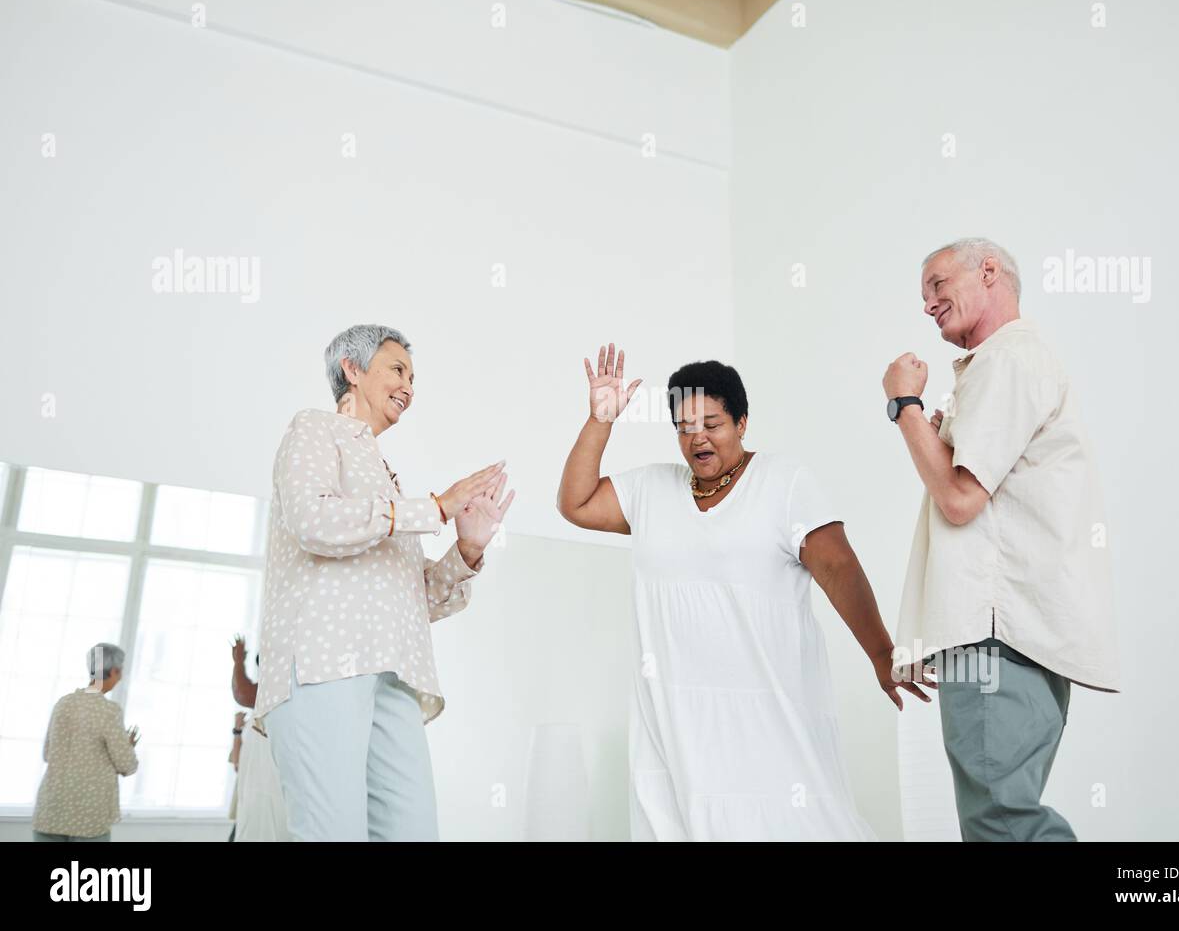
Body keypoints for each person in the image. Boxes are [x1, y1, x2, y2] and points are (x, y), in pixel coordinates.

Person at [558, 343, 933, 841]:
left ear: (742, 422)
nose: (698, 440)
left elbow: (838, 568)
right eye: (685, 429)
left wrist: (882, 652)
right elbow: (576, 503)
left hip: (766, 721)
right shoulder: (652, 490)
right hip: (673, 725)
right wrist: (600, 421)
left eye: (712, 424)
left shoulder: (782, 481)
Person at [884, 237, 1121, 841]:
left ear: (988, 271)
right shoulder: (1012, 365)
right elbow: (979, 497)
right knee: (1002, 811)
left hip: (996, 637)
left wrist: (904, 405)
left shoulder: (1007, 359)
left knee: (1000, 820)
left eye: (938, 285)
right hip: (1014, 635)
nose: (929, 304)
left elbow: (960, 500)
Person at [251, 324, 513, 841]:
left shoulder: (386, 476)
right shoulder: (313, 430)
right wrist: (435, 507)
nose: (409, 387)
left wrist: (468, 548)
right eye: (397, 370)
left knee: (412, 832)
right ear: (352, 369)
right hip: (323, 664)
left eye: (413, 377)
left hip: (392, 674)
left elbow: (414, 598)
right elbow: (313, 522)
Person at [32, 642, 140, 842]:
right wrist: (128, 746)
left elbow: (48, 753)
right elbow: (126, 764)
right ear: (115, 671)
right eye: (121, 671)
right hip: (87, 816)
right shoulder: (109, 711)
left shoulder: (63, 703)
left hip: (50, 810)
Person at [227, 636, 288, 841]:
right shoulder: (258, 710)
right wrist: (236, 731)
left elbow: (241, 693)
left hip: (268, 797)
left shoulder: (278, 694)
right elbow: (236, 763)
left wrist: (237, 662)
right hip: (251, 797)